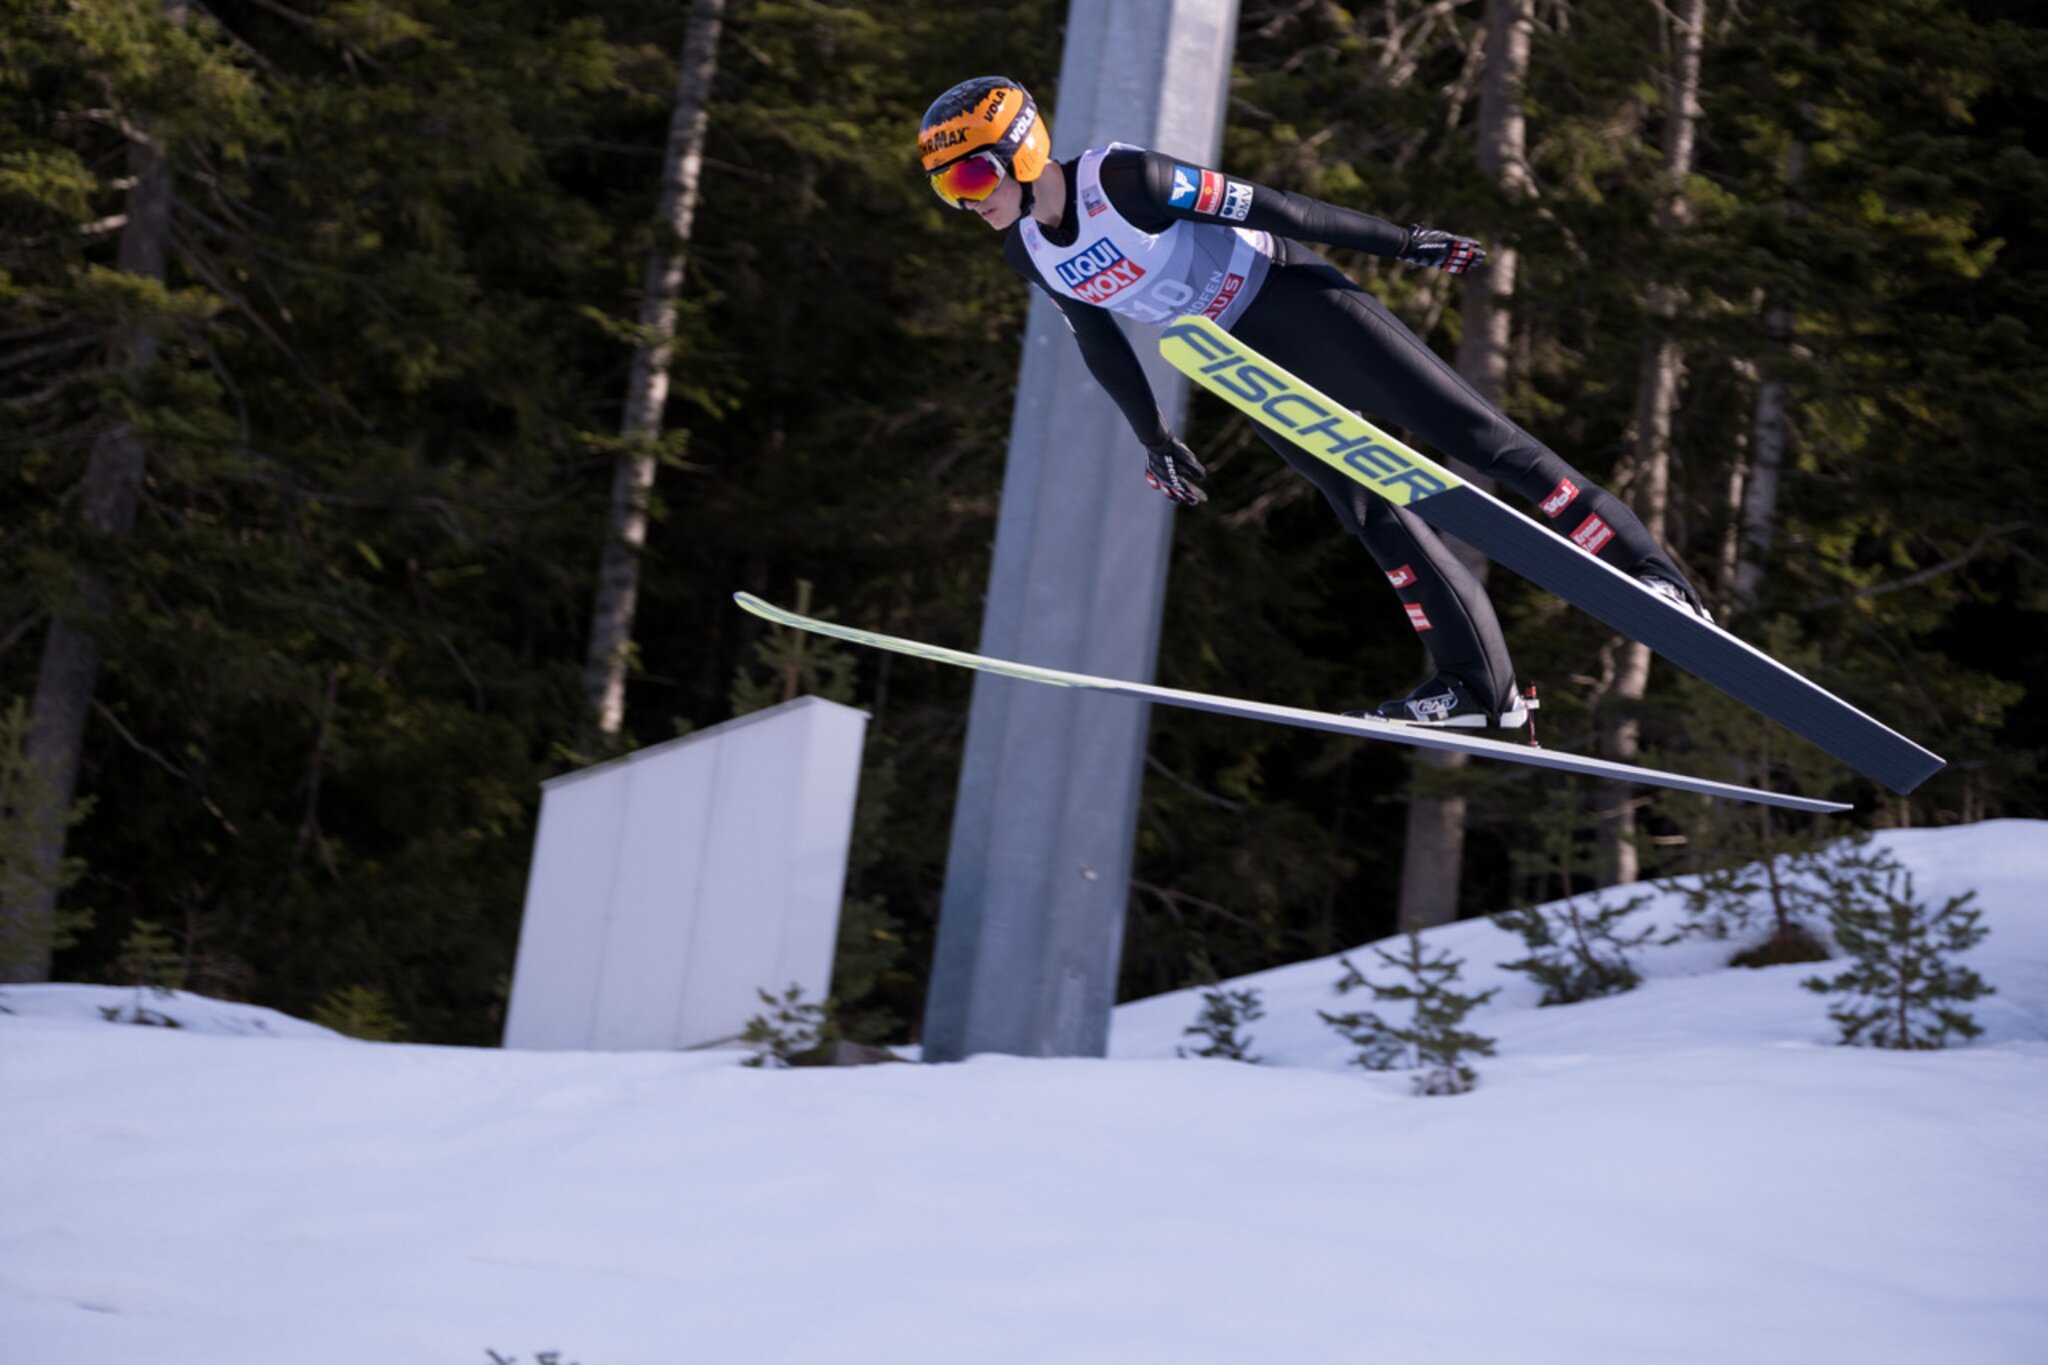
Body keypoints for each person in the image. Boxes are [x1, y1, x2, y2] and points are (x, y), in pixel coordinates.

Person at [917, 76, 1709, 728]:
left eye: (971, 177)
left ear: (1023, 151)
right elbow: (1099, 341)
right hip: (1238, 362)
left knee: (1475, 437)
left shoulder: (1127, 181)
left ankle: (1649, 573)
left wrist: (1401, 241)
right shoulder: (1025, 250)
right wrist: (1152, 435)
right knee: (1365, 507)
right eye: (946, 189)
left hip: (1295, 303)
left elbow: (1274, 206)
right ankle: (1479, 688)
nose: (963, 202)